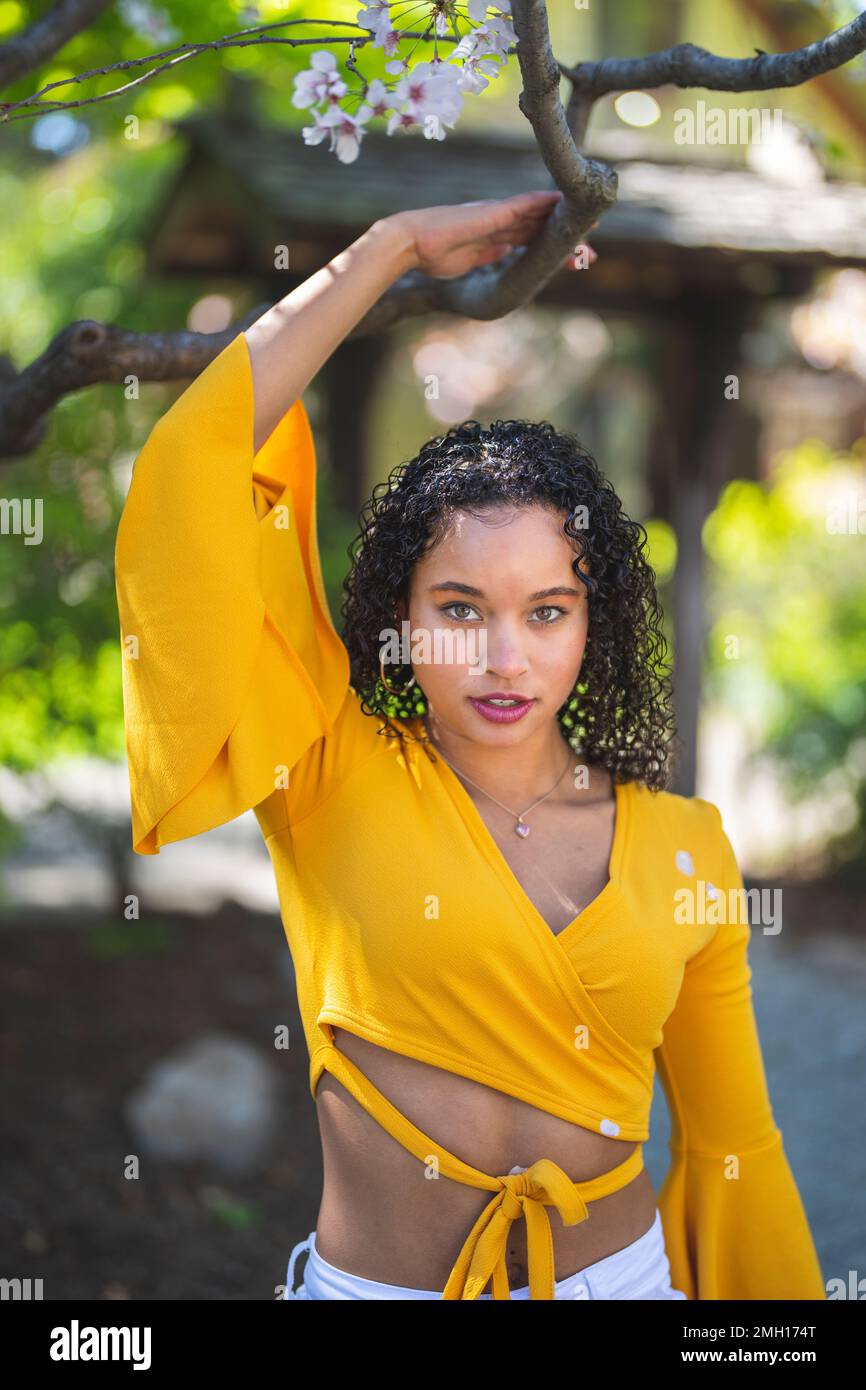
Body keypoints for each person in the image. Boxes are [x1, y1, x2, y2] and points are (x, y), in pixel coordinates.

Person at [114, 193, 826, 1301]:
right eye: (458, 608)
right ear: (397, 618)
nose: (505, 657)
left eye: (547, 610)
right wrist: (389, 248)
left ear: (595, 627)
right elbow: (193, 466)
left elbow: (733, 1147)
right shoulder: (323, 764)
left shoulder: (688, 847)